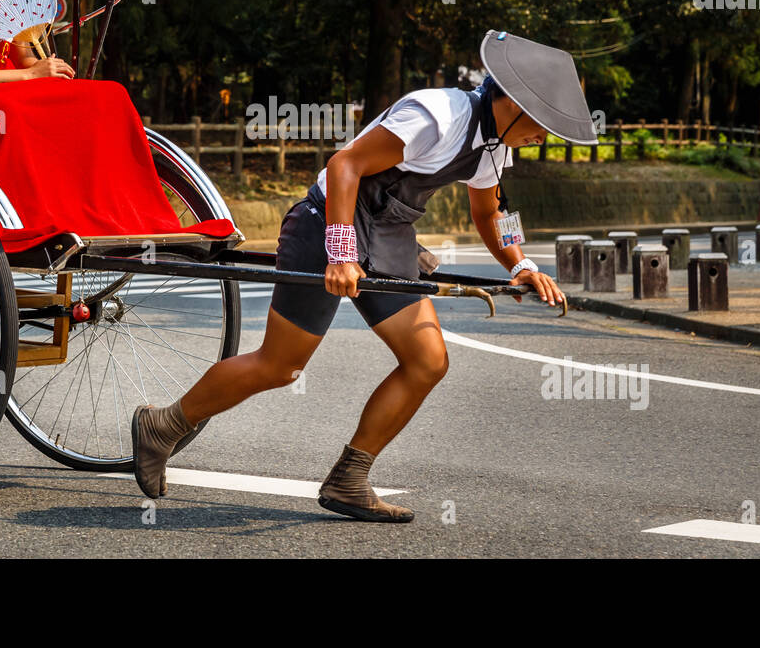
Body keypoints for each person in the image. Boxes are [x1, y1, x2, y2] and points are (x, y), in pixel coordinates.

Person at [131, 30, 599, 521]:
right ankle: (163, 425)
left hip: (392, 233)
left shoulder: (494, 145)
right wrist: (339, 251)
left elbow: (490, 213)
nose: (543, 137)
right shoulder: (435, 115)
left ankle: (349, 479)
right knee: (280, 366)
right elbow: (344, 165)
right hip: (325, 224)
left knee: (428, 361)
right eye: (543, 125)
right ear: (516, 103)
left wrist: (520, 264)